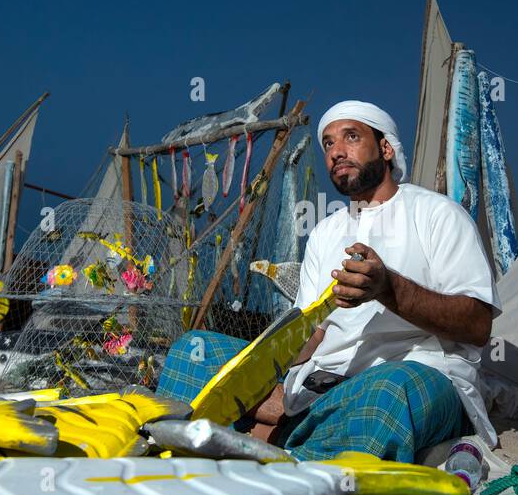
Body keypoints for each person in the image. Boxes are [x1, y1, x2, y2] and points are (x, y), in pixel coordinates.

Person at [155, 100, 500, 463]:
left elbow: (477, 326)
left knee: (385, 395)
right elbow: (312, 331)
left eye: (351, 137)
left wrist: (388, 288)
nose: (336, 152)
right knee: (195, 350)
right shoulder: (324, 233)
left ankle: (284, 458)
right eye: (329, 144)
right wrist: (265, 375)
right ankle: (291, 431)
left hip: (417, 374)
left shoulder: (438, 215)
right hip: (323, 383)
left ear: (385, 148)